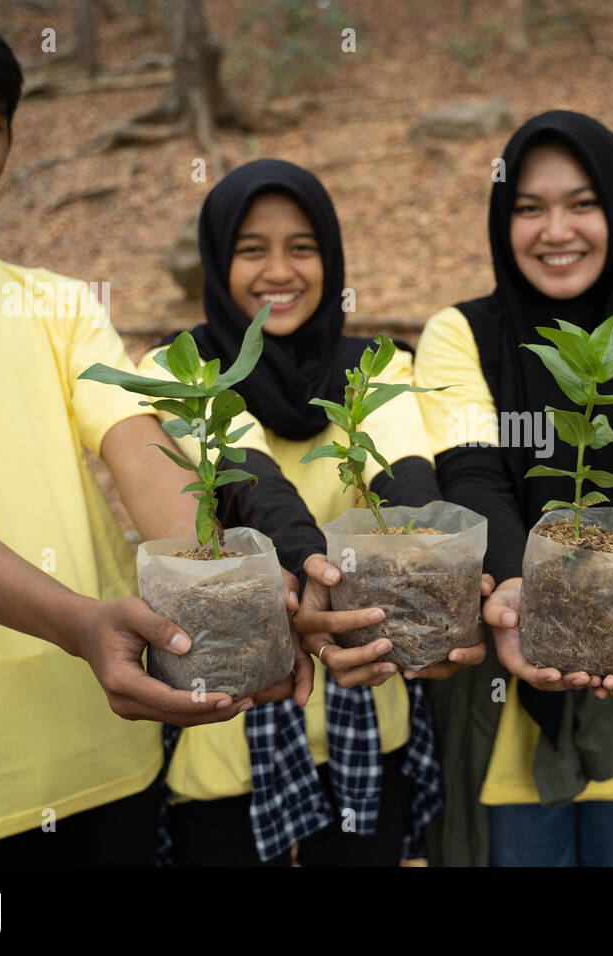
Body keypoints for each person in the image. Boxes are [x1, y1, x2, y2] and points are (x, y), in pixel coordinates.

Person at [0, 0, 299, 866]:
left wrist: (231, 598)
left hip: (107, 760)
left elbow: (136, 444)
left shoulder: (58, 304)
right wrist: (78, 621)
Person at [139, 159, 490, 866]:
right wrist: (312, 562)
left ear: (331, 257)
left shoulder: (375, 367)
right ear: (215, 261)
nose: (280, 271)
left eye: (302, 247)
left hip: (368, 710)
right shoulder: (180, 371)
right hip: (229, 725)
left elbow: (402, 475)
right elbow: (246, 477)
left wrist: (432, 565)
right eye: (251, 249)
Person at [414, 110, 613, 867]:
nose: (555, 230)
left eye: (583, 203)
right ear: (504, 220)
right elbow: (472, 476)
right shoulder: (461, 334)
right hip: (499, 694)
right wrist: (529, 602)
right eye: (529, 208)